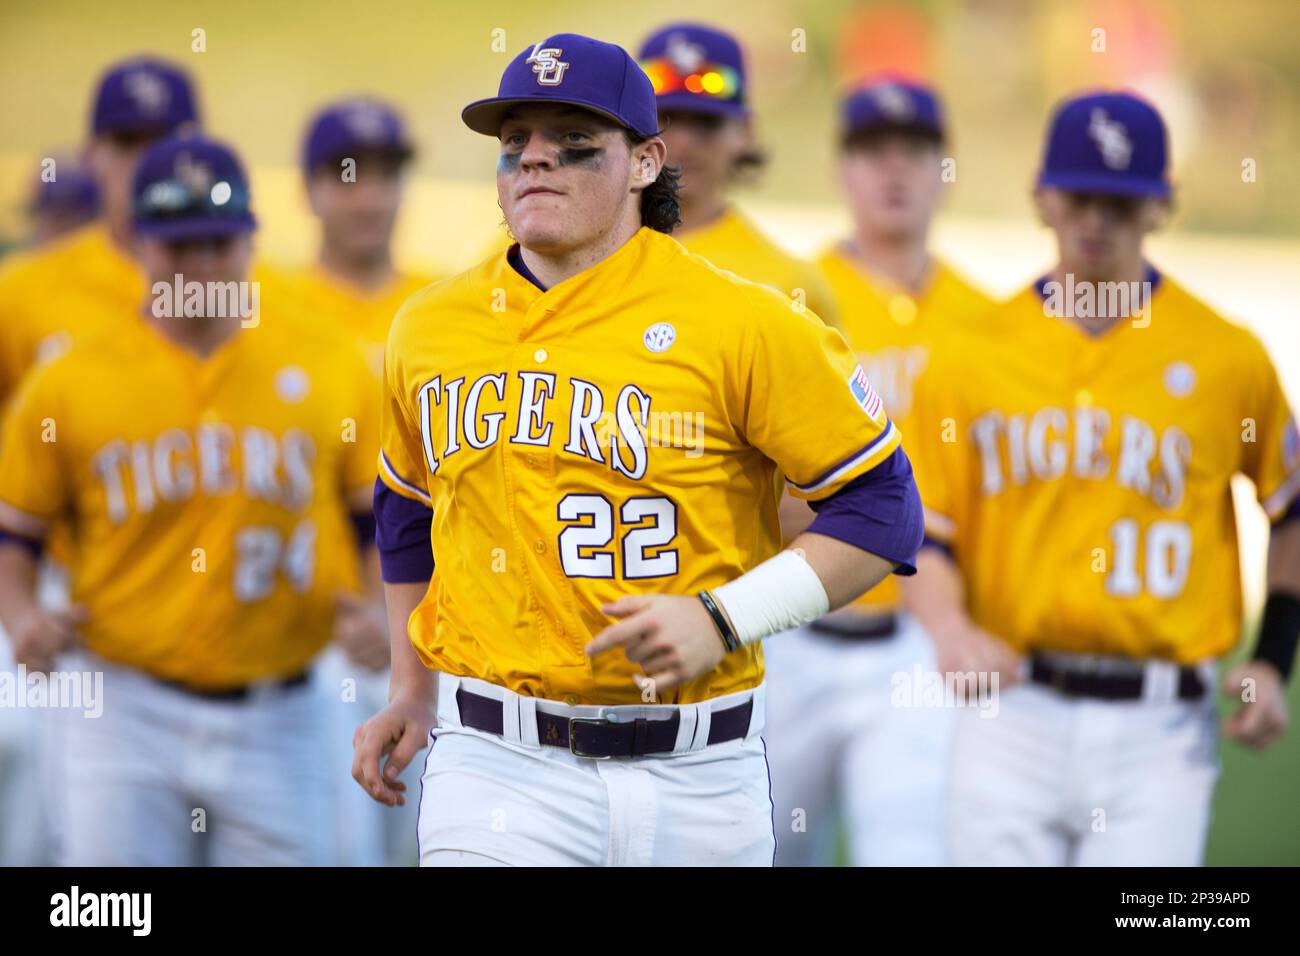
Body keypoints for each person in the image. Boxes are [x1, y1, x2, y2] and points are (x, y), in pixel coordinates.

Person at [352, 32, 923, 867]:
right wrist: (411, 685)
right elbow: (405, 507)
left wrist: (726, 618)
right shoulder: (433, 325)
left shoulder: (745, 319)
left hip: (703, 772)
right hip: (500, 768)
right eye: (516, 147)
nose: (535, 162)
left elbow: (884, 512)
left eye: (574, 146)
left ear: (647, 163)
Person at [905, 91, 1300, 866]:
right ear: (1042, 197)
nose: (1097, 220)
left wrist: (1272, 659)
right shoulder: (970, 354)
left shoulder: (1227, 356)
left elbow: (1291, 506)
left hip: (1160, 729)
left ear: (1161, 207)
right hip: (1010, 713)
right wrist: (951, 632)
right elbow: (923, 526)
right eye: (1081, 195)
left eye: (1122, 201)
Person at [0, 134, 381, 865]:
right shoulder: (72, 379)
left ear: (251, 240)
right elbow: (14, 531)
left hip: (285, 709)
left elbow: (379, 521)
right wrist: (21, 618)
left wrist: (374, 608)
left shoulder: (328, 361)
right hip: (121, 707)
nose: (202, 266)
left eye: (219, 242)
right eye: (181, 245)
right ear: (139, 245)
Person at [763, 77, 992, 867]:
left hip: (918, 642)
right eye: (872, 153)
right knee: (759, 849)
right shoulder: (793, 299)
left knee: (914, 851)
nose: (894, 171)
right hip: (789, 628)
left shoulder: (985, 319)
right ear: (842, 169)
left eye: (915, 153)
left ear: (943, 168)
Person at [295, 97, 432, 866]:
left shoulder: (452, 305)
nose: (370, 195)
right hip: (326, 633)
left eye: (387, 175)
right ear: (310, 189)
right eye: (348, 176)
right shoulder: (267, 312)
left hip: (444, 623)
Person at [0, 57, 200, 407]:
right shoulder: (19, 294)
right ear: (91, 156)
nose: (146, 162)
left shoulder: (251, 293)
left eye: (165, 144)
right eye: (127, 143)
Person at [636, 23, 835, 321]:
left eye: (707, 122)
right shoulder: (588, 255)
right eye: (665, 120)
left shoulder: (788, 283)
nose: (684, 142)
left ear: (745, 133)